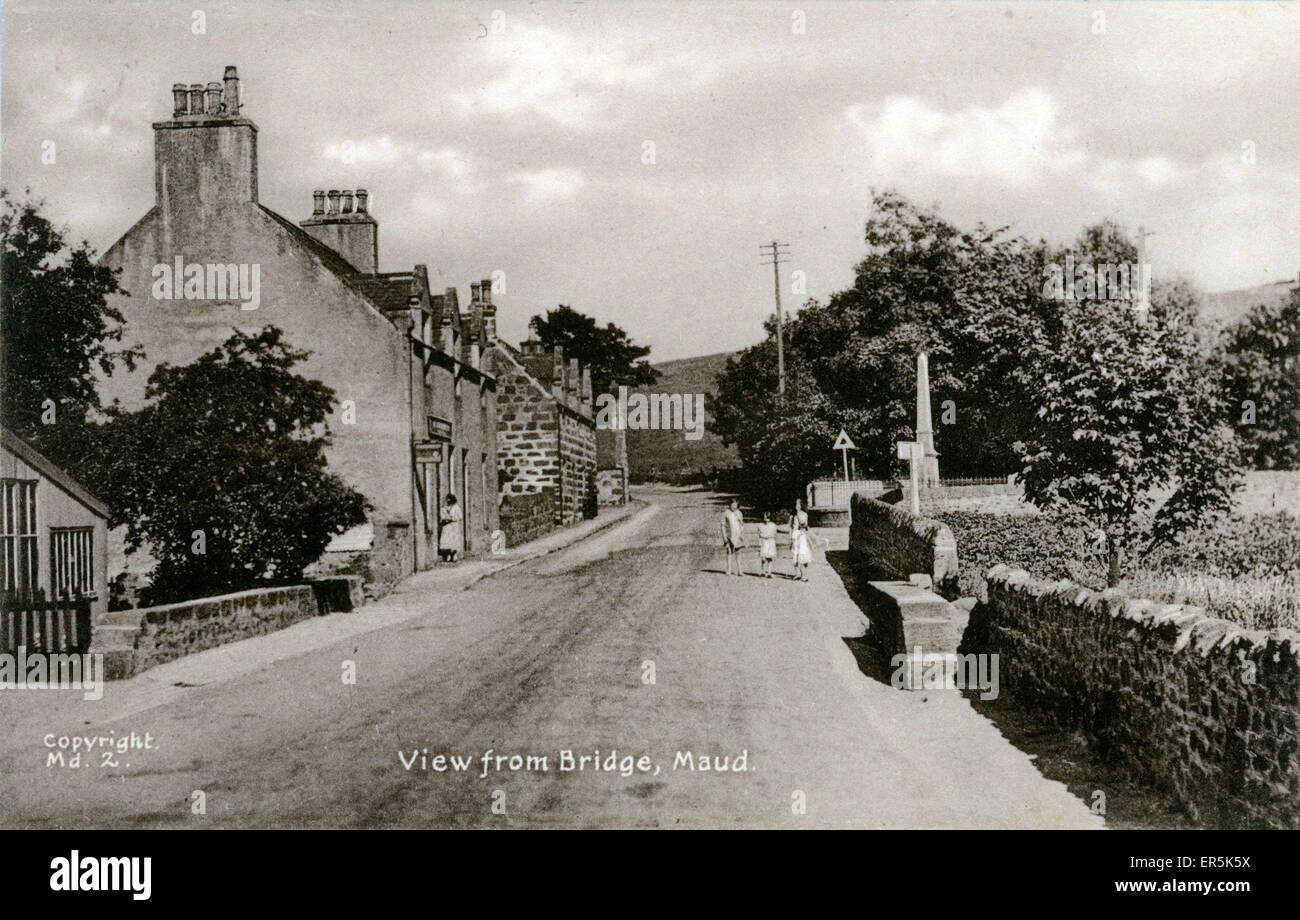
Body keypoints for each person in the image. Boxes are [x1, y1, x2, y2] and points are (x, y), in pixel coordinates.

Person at [789, 499, 812, 581]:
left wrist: (792, 539)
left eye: (797, 504)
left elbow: (796, 527)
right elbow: (805, 527)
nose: (796, 506)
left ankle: (800, 574)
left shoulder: (797, 516)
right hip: (801, 536)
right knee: (800, 554)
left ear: (800, 505)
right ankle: (801, 574)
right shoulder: (804, 515)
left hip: (798, 536)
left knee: (798, 554)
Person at [721, 499, 745, 576]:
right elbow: (723, 526)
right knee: (729, 552)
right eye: (732, 505)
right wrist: (724, 537)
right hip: (729, 535)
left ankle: (740, 570)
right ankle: (729, 569)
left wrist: (742, 534)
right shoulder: (726, 513)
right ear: (729, 504)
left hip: (737, 535)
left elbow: (742, 525)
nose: (734, 507)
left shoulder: (739, 513)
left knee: (738, 553)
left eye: (735, 505)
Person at [439, 494, 463, 563]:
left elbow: (460, 517)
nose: (447, 501)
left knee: (454, 539)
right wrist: (445, 519)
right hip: (447, 526)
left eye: (449, 499)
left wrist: (453, 519)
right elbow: (442, 517)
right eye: (447, 499)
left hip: (454, 526)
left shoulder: (456, 507)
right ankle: (448, 555)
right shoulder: (443, 508)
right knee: (447, 540)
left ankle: (454, 555)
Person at [757, 511, 778, 578]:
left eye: (767, 518)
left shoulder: (773, 525)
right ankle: (762, 571)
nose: (766, 519)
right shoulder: (760, 525)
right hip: (763, 541)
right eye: (765, 518)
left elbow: (774, 534)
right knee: (763, 558)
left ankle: (769, 572)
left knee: (770, 558)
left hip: (770, 541)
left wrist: (770, 538)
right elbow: (759, 534)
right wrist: (760, 543)